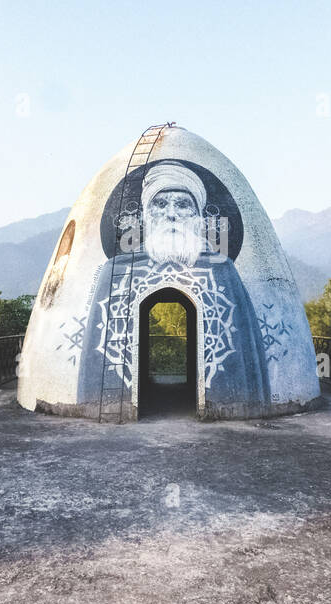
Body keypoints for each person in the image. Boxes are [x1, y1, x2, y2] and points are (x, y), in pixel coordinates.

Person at [75, 161, 271, 415]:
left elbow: (244, 360)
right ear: (145, 214)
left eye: (182, 204)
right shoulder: (116, 271)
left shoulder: (223, 271)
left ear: (199, 217)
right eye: (160, 204)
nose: (171, 214)